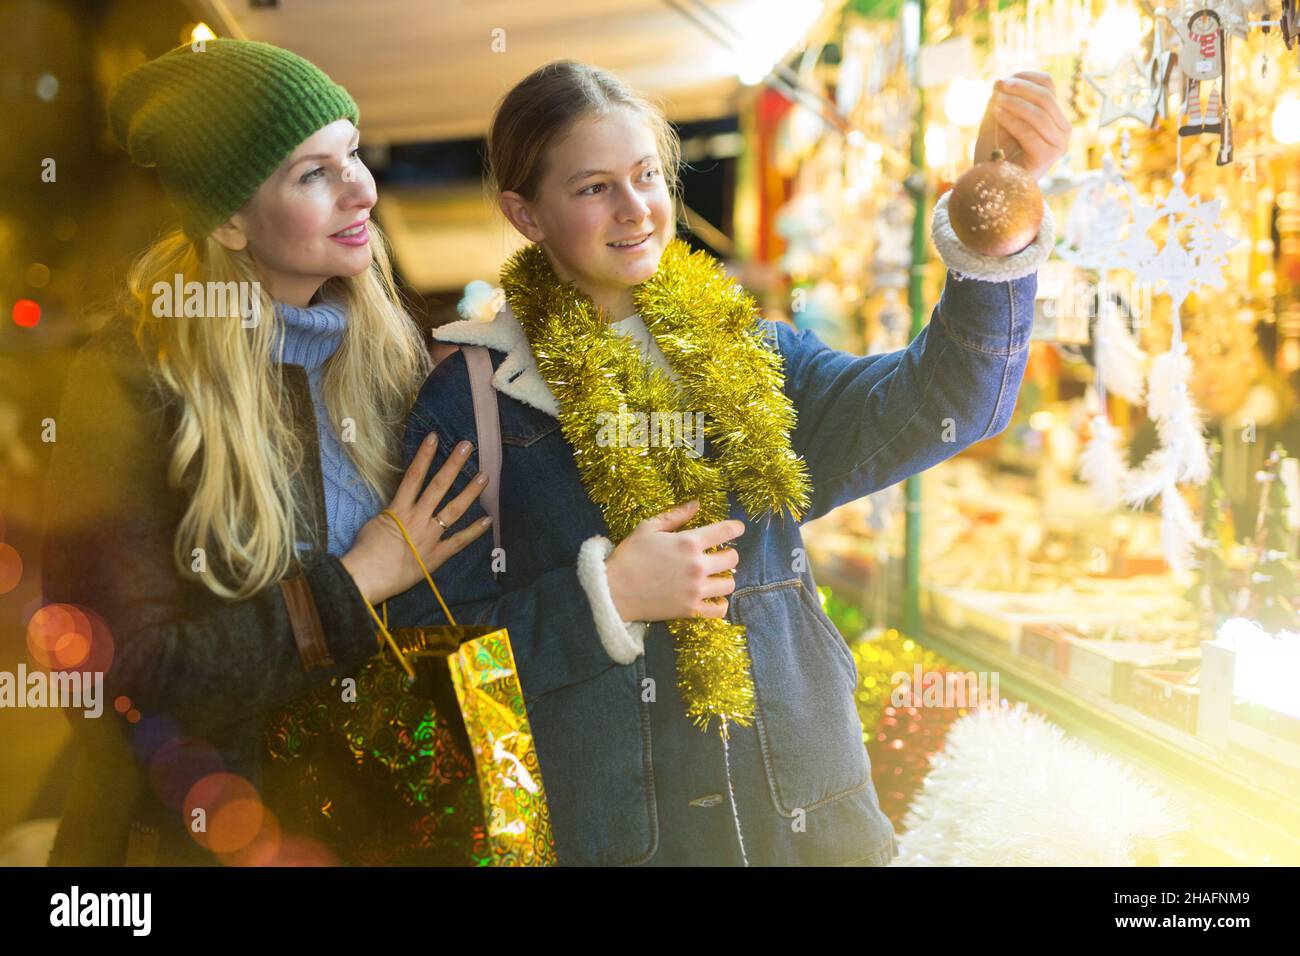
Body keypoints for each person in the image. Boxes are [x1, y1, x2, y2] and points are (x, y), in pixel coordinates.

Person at [386, 60, 1069, 866]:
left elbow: (951, 403)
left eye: (646, 175)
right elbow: (425, 658)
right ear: (523, 213)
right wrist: (605, 599)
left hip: (806, 831)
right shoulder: (468, 406)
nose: (636, 208)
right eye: (593, 187)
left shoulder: (760, 360)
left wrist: (998, 208)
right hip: (615, 844)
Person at [40, 38, 491, 865]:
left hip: (390, 832)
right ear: (229, 220)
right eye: (312, 173)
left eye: (352, 152)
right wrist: (358, 580)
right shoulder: (133, 381)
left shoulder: (397, 359)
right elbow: (113, 685)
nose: (361, 187)